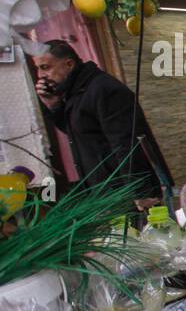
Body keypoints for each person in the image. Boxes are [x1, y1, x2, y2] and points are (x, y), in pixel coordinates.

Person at [33, 39, 168, 203]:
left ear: (69, 64)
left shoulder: (103, 89)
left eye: (46, 67)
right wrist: (54, 105)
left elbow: (127, 145)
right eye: (38, 69)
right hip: (105, 191)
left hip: (126, 192)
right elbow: (79, 135)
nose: (41, 76)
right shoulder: (76, 93)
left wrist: (140, 192)